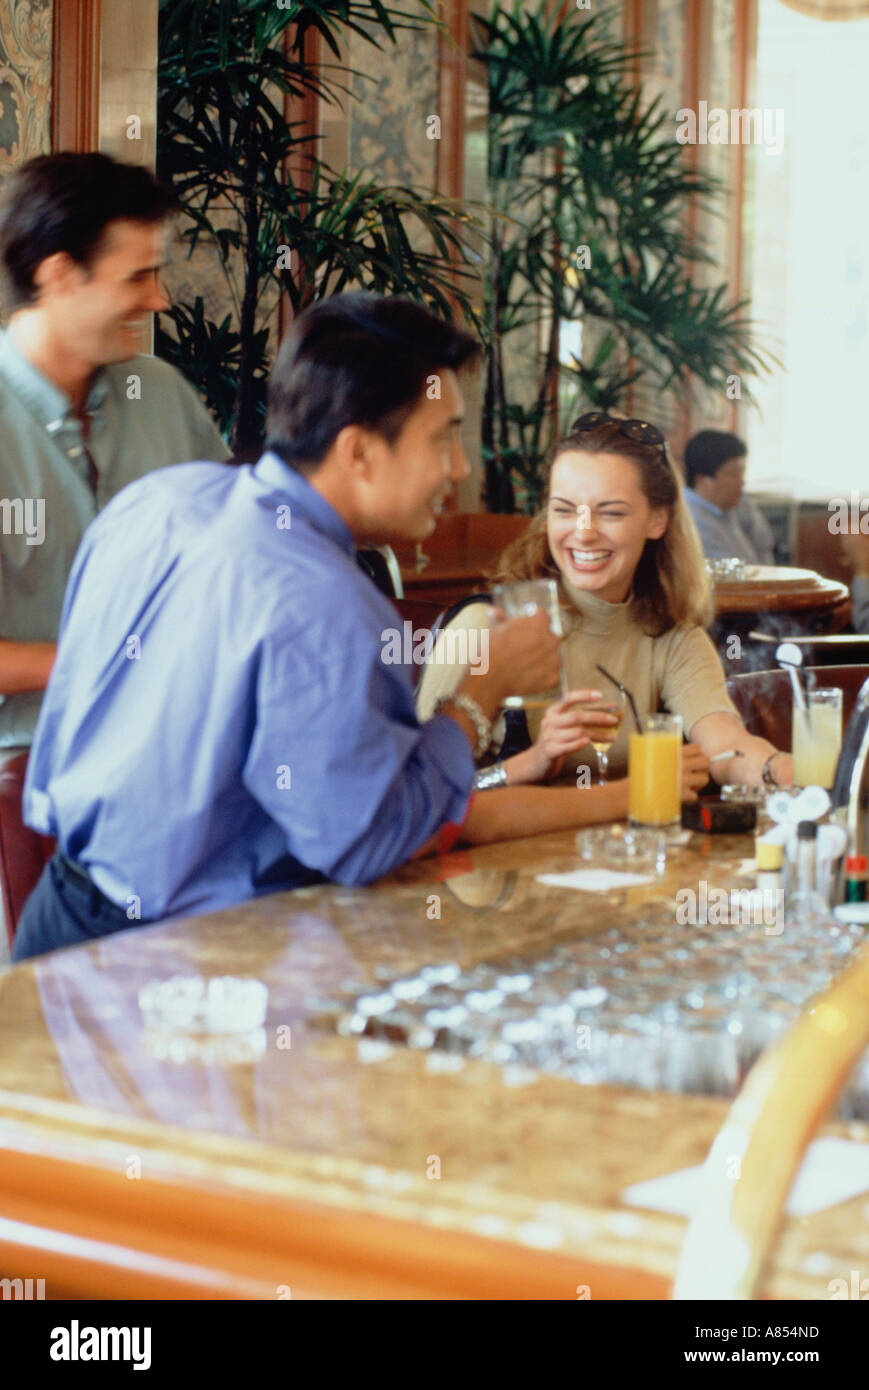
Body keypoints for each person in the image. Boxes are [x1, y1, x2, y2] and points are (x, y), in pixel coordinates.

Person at [13, 298, 696, 963]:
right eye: (442, 438)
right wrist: (481, 689)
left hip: (54, 924)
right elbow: (371, 838)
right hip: (179, 962)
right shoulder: (327, 606)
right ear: (360, 452)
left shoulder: (157, 501)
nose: (458, 469)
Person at [417, 412, 793, 792]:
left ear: (657, 520)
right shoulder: (485, 626)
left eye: (611, 512)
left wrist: (781, 771)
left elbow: (727, 747)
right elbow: (414, 796)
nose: (584, 533)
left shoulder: (671, 635)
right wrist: (528, 765)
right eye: (564, 510)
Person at [0, 152, 229, 748]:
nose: (160, 300)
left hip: (180, 753)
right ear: (58, 277)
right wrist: (108, 664)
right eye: (137, 277)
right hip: (23, 783)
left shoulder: (162, 394)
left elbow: (236, 554)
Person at [682, 429, 775, 565]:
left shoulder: (735, 503)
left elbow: (764, 544)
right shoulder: (691, 520)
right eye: (734, 474)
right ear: (703, 480)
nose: (742, 481)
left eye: (742, 473)